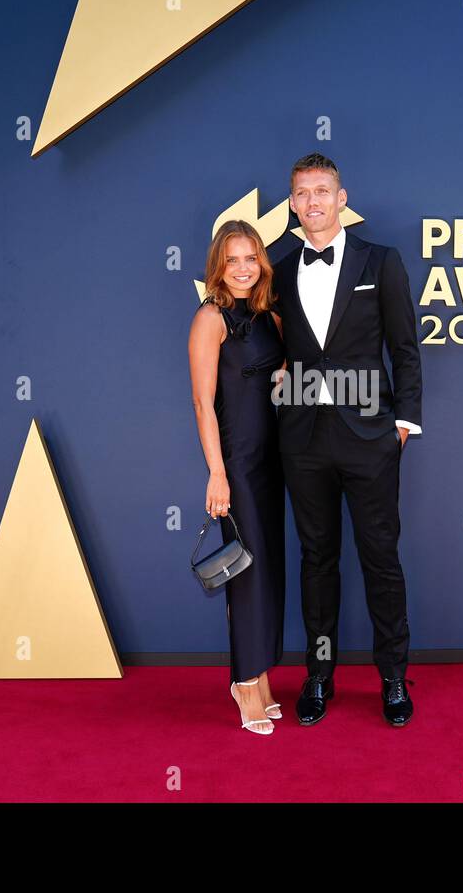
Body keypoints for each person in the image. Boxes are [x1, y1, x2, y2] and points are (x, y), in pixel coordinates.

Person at [272, 153, 423, 727]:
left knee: (380, 558)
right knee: (317, 561)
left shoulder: (381, 262)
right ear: (292, 203)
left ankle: (392, 679)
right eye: (302, 193)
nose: (312, 202)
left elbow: (405, 349)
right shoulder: (280, 271)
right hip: (303, 441)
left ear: (341, 198)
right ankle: (319, 675)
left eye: (322, 191)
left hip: (371, 438)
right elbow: (273, 348)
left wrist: (404, 424)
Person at [187, 220, 286, 735]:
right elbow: (203, 404)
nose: (243, 268)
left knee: (269, 568)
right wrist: (217, 473)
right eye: (233, 260)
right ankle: (244, 682)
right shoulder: (210, 318)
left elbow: (279, 380)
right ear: (218, 267)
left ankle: (261, 673)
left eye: (251, 258)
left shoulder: (268, 315)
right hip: (238, 464)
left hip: (274, 460)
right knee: (246, 573)